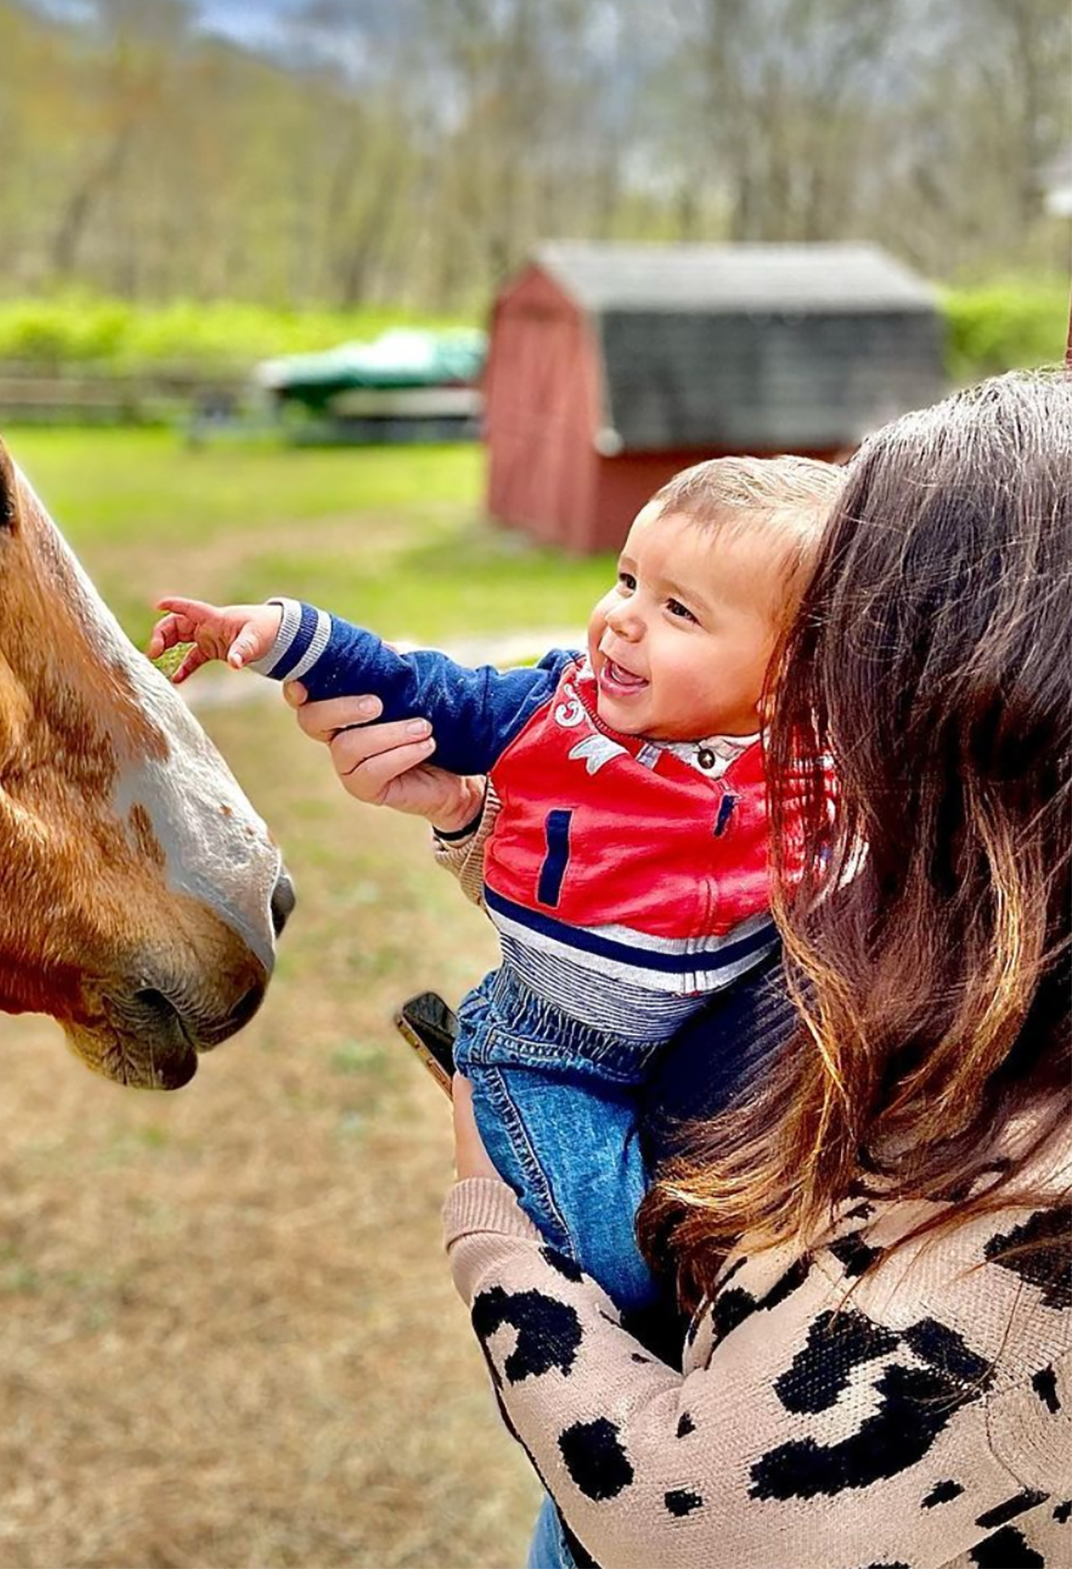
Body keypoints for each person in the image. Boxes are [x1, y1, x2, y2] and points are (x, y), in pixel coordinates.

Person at [287, 374, 1072, 1568]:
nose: (818, 682)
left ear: (986, 682)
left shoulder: (1019, 1084)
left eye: (853, 631)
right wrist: (477, 829)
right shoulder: (921, 864)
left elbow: (696, 1514)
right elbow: (716, 937)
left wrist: (493, 1238)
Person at [149, 456, 843, 1332]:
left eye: (678, 610)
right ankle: (600, 1436)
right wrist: (288, 634)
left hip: (689, 1043)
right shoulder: (555, 713)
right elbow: (420, 689)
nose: (623, 621)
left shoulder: (813, 769)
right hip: (551, 1055)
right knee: (630, 1271)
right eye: (628, 580)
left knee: (706, 1240)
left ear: (787, 675)